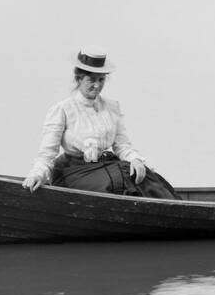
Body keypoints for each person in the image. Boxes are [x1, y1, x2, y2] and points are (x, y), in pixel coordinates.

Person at [22, 48, 179, 199]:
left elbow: (122, 145)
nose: (97, 86)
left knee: (145, 177)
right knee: (119, 179)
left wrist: (135, 159)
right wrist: (36, 174)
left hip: (105, 167)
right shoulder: (62, 110)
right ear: (78, 79)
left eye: (101, 80)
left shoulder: (111, 107)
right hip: (74, 172)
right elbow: (47, 153)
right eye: (91, 80)